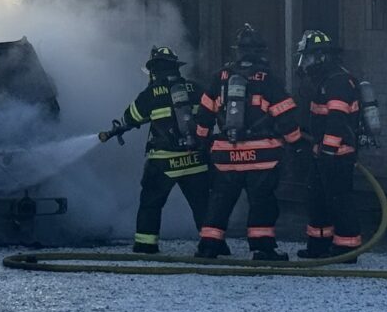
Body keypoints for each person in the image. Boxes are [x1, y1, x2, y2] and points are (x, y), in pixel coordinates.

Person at [193, 24, 303, 261]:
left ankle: (209, 245)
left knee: (220, 201)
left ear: (238, 51)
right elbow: (285, 114)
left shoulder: (220, 76)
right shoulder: (268, 78)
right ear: (261, 51)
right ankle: (262, 248)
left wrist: (201, 141)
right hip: (261, 157)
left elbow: (204, 114)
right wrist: (296, 141)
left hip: (226, 155)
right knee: (262, 202)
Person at [99, 46, 212, 254]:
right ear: (176, 67)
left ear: (154, 70)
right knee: (203, 205)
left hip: (163, 161)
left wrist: (118, 128)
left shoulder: (150, 93)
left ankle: (146, 244)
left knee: (151, 203)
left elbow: (130, 118)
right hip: (195, 160)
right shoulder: (195, 89)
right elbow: (210, 117)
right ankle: (211, 244)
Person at [294, 30, 363, 261]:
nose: (306, 64)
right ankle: (318, 245)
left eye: (309, 58)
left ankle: (347, 247)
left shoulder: (339, 82)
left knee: (339, 199)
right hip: (321, 153)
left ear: (322, 57)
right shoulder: (323, 81)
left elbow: (337, 119)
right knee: (316, 198)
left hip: (338, 154)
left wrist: (329, 150)